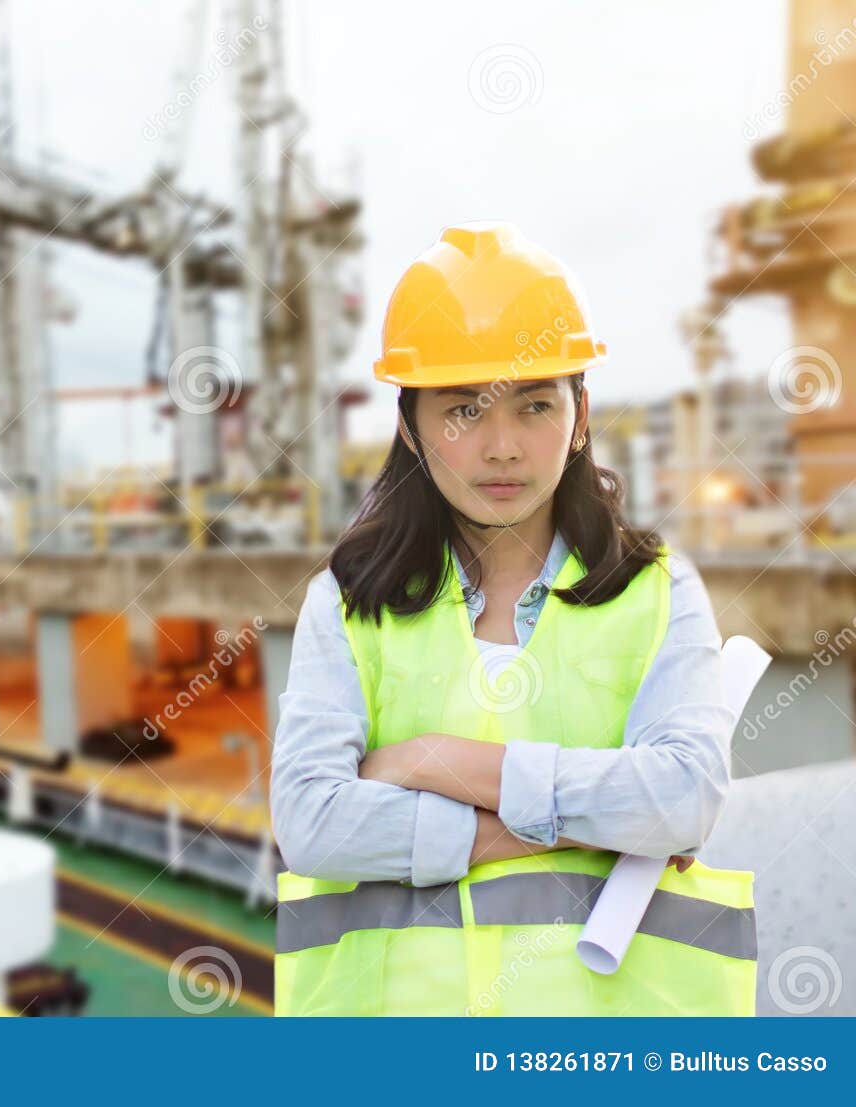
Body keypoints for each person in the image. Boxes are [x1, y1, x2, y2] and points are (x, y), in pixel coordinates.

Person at [269, 222, 757, 1016]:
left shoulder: (657, 590)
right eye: (464, 410)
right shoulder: (350, 599)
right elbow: (314, 823)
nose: (502, 447)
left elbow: (682, 800)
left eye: (534, 404)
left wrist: (431, 757)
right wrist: (592, 823)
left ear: (581, 412)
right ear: (409, 425)